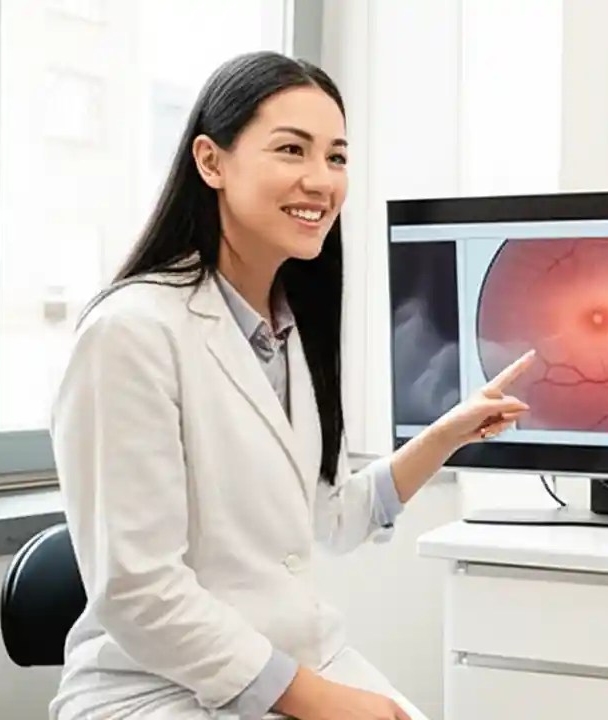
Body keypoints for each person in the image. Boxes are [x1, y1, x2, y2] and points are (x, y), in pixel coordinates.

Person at [49, 51, 534, 720]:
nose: (321, 180)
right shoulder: (131, 332)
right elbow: (140, 590)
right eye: (291, 149)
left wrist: (448, 433)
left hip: (296, 662)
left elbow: (330, 517)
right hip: (159, 688)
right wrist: (322, 701)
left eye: (336, 157)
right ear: (211, 162)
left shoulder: (284, 332)